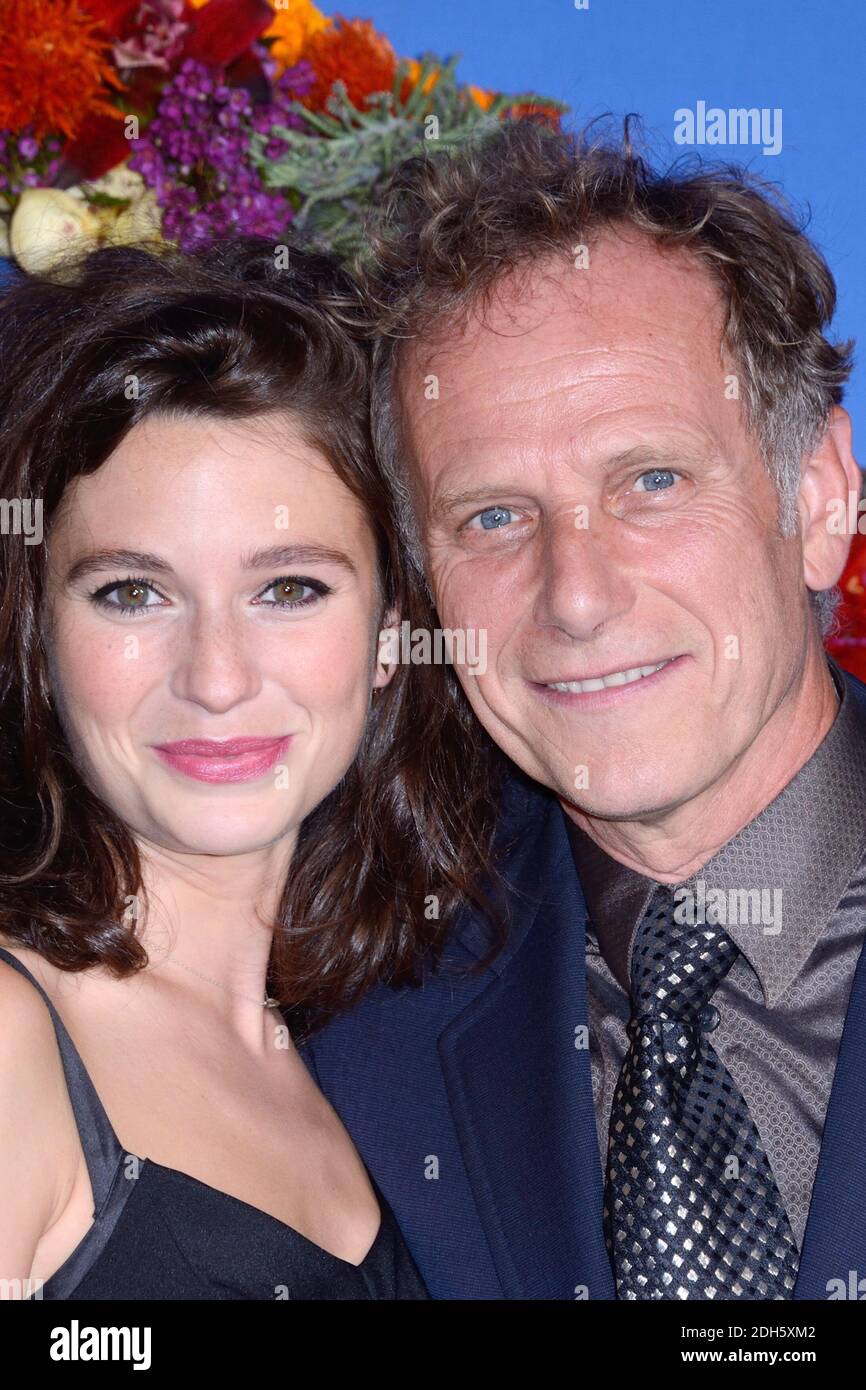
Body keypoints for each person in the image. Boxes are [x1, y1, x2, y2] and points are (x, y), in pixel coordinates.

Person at [301, 118, 866, 1300]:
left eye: (649, 481)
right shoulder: (343, 1007)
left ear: (816, 499)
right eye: (492, 517)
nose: (575, 594)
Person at [0, 236, 497, 1301]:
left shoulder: (386, 1065)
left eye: (289, 589)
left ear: (388, 633)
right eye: (133, 592)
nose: (215, 678)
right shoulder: (10, 1049)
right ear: (38, 634)